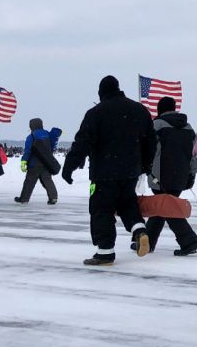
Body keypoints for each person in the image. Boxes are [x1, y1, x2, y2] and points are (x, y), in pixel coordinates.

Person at [61, 75, 156, 266]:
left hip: (104, 172)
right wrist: (145, 165)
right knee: (127, 204)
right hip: (130, 171)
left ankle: (105, 252)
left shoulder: (96, 113)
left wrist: (69, 167)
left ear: (101, 92)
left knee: (101, 210)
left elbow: (82, 142)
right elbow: (150, 142)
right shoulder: (139, 110)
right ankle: (139, 230)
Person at [143, 96, 197, 256]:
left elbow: (150, 152)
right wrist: (191, 174)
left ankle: (189, 241)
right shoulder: (188, 128)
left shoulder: (157, 126)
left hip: (160, 176)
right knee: (161, 208)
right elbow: (193, 155)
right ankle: (147, 242)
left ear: (159, 109)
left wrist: (146, 169)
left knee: (165, 208)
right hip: (180, 176)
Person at [16, 118, 60, 205]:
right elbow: (51, 147)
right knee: (48, 180)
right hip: (46, 163)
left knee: (29, 181)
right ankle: (53, 197)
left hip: (34, 163)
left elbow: (28, 151)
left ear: (32, 126)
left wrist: (23, 161)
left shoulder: (31, 136)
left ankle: (24, 199)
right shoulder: (47, 134)